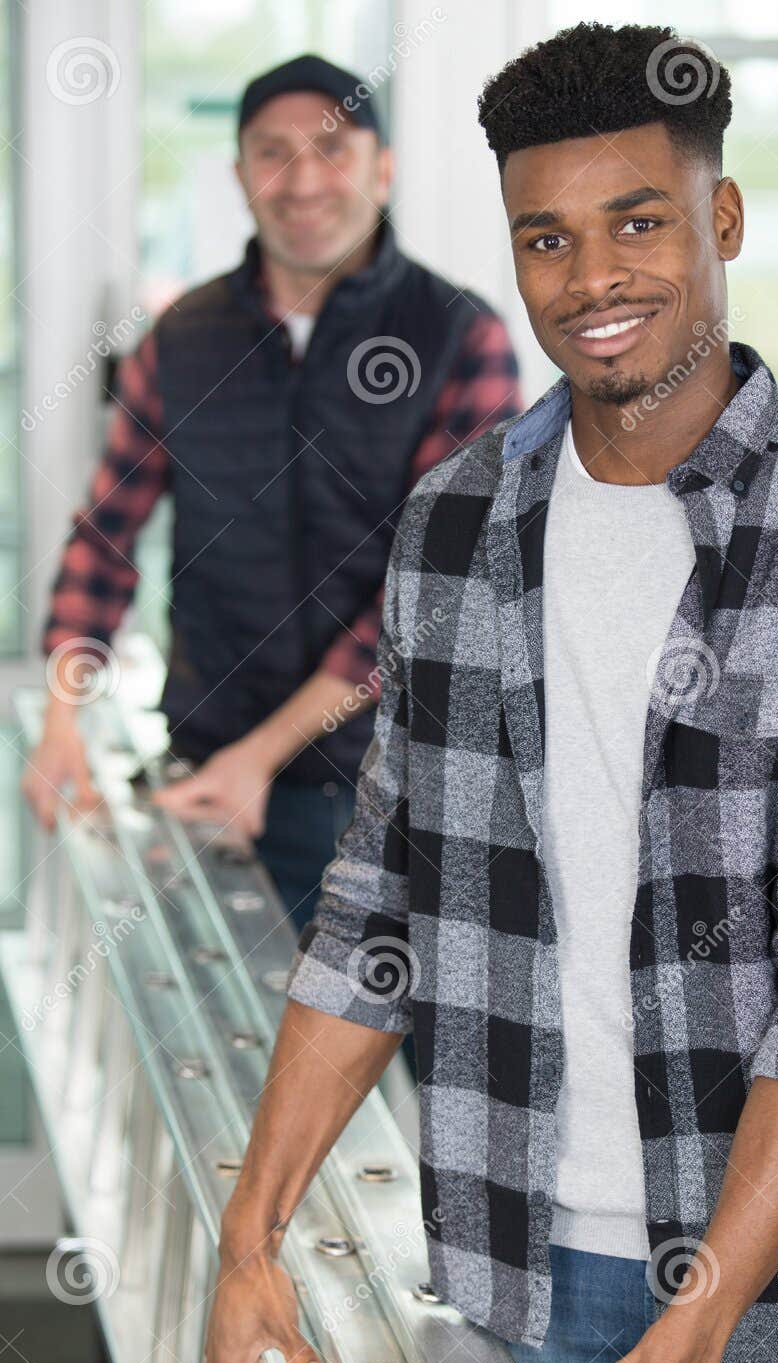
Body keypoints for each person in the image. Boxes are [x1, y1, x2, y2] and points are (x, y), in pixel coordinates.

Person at [204, 23, 778, 1363]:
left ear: (721, 221)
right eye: (546, 238)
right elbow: (374, 904)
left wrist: (678, 1350)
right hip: (523, 1269)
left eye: (637, 222)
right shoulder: (455, 524)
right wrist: (248, 1233)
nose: (592, 276)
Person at [23, 53, 520, 930]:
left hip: (390, 789)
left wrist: (262, 755)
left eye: (331, 149)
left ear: (382, 169)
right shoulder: (182, 337)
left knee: (380, 1015)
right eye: (271, 153)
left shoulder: (458, 335)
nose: (301, 181)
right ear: (239, 176)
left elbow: (434, 595)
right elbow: (105, 539)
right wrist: (64, 722)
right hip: (206, 769)